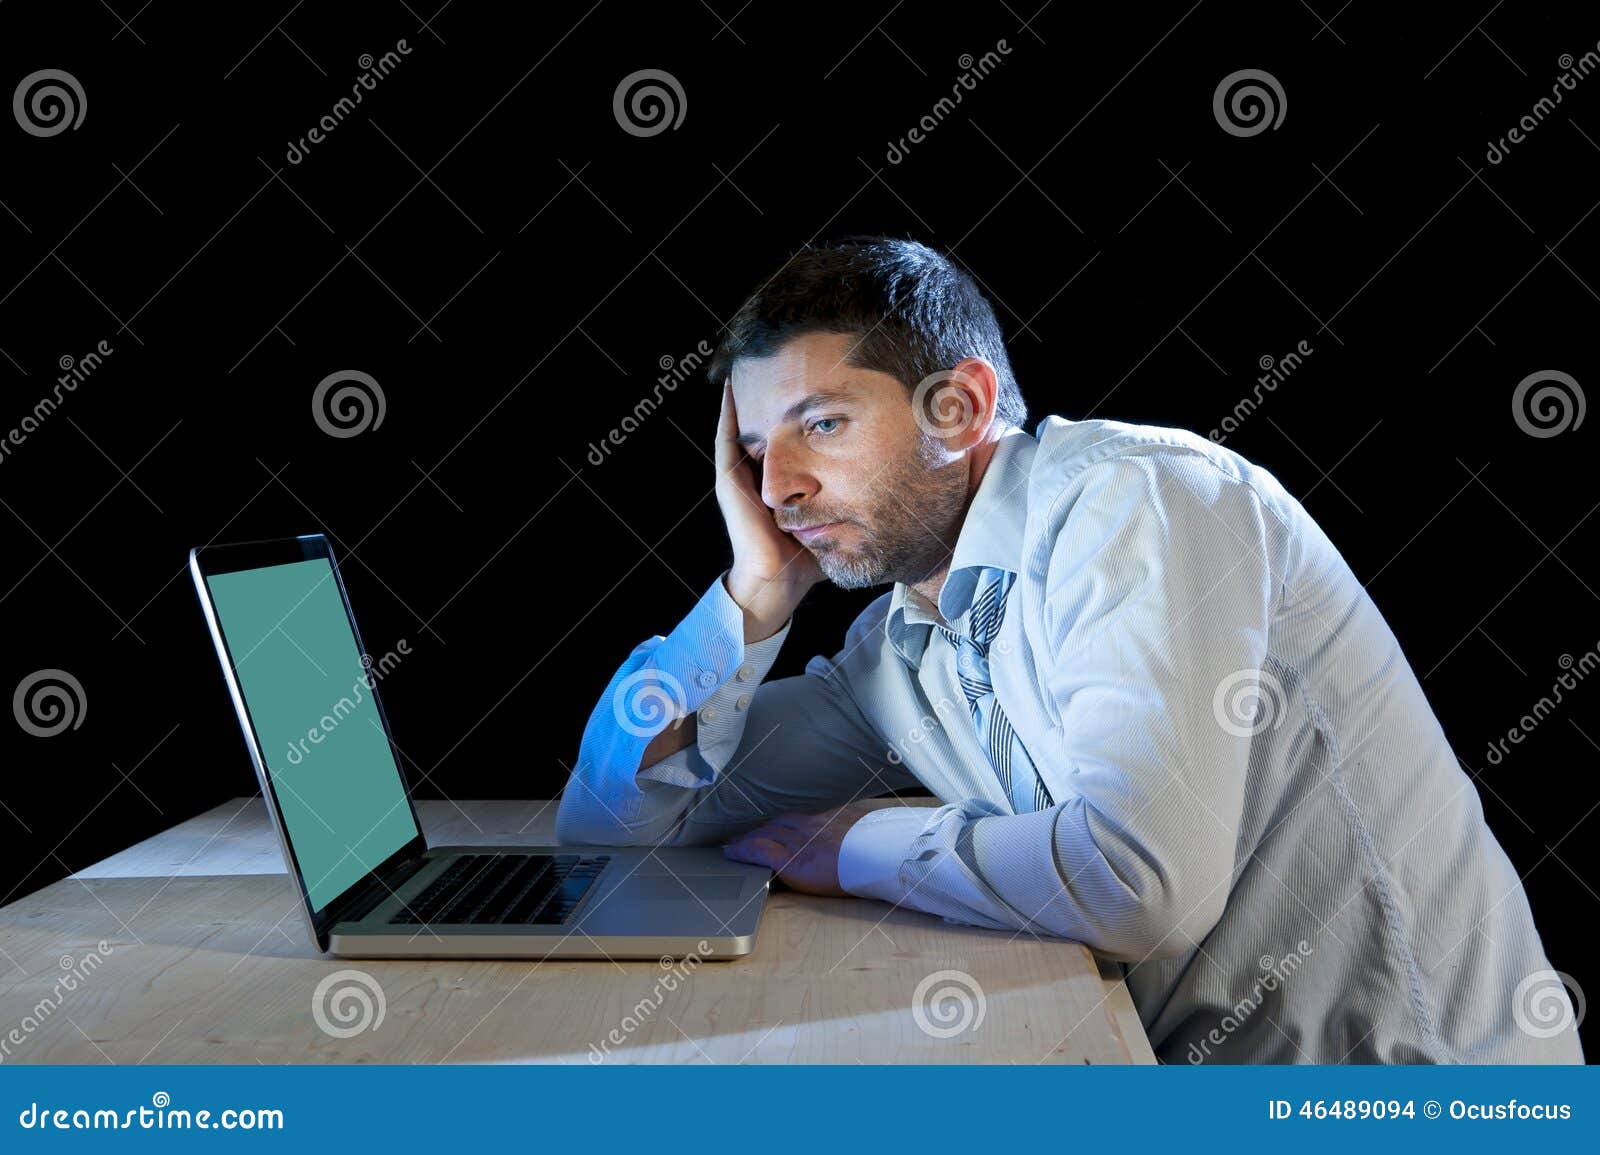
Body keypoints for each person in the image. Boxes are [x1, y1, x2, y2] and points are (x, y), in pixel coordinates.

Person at [555, 235, 1583, 1064]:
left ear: (957, 408)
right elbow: (615, 825)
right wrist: (750, 602)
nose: (777, 488)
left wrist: (858, 846)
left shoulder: (1137, 502)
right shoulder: (897, 650)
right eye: (753, 454)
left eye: (819, 425)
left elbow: (1140, 886)